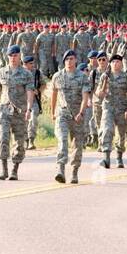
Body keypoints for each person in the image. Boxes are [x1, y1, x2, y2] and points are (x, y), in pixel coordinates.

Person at [0, 45, 37, 181]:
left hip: (20, 111)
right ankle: (4, 169)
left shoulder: (26, 74)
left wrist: (29, 109)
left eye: (15, 55)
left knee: (19, 142)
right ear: (8, 57)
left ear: (19, 56)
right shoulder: (1, 72)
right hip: (4, 110)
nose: (13, 58)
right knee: (3, 138)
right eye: (11, 56)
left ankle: (14, 170)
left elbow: (30, 92)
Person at [48, 49, 90, 184]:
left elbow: (85, 97)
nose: (69, 61)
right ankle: (60, 169)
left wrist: (81, 112)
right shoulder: (57, 76)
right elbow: (54, 93)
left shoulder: (82, 77)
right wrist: (52, 111)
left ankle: (74, 171)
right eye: (66, 59)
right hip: (63, 113)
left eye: (71, 59)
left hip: (77, 115)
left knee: (77, 145)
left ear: (75, 60)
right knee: (62, 140)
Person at [97, 53, 127, 168]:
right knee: (107, 129)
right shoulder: (105, 76)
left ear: (121, 64)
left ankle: (119, 156)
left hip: (121, 108)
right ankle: (106, 158)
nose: (115, 63)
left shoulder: (125, 77)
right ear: (110, 64)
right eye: (113, 62)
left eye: (118, 62)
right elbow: (99, 93)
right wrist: (102, 89)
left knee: (121, 134)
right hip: (108, 107)